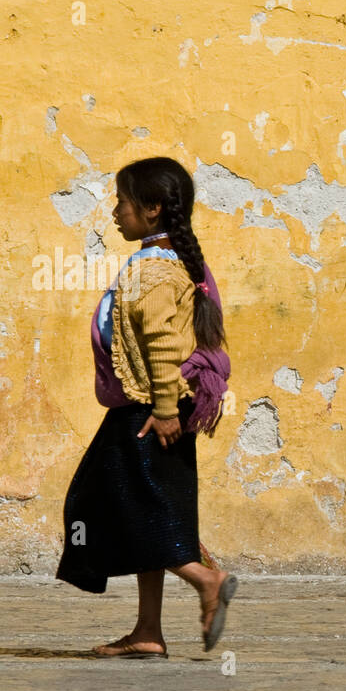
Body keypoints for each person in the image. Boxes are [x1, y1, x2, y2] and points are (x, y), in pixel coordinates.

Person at [55, 156, 238, 658]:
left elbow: (160, 345)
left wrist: (162, 410)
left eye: (124, 202)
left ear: (153, 209)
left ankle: (206, 578)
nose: (116, 212)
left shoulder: (153, 271)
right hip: (157, 409)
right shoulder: (169, 261)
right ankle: (148, 632)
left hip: (149, 413)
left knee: (114, 507)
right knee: (156, 512)